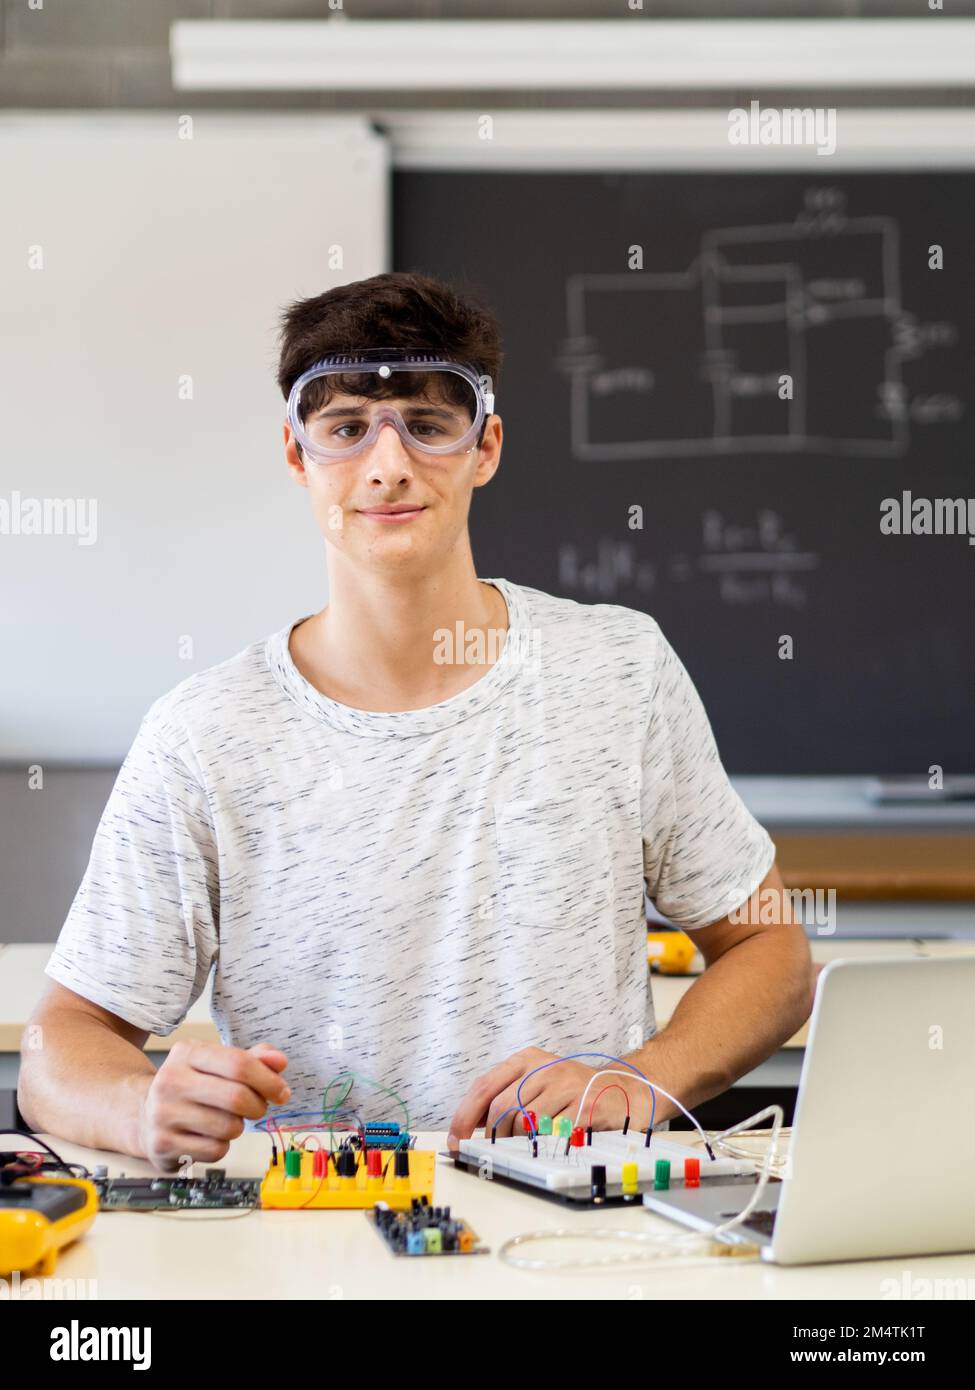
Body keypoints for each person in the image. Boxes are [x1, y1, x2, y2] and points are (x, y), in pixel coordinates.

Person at [19, 272, 814, 1170]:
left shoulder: (618, 671)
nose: (388, 464)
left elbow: (770, 949)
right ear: (295, 452)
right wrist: (136, 1106)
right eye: (346, 428)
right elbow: (61, 1046)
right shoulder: (204, 734)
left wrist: (645, 1075)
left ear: (486, 448)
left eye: (429, 426)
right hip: (314, 1232)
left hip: (578, 1230)